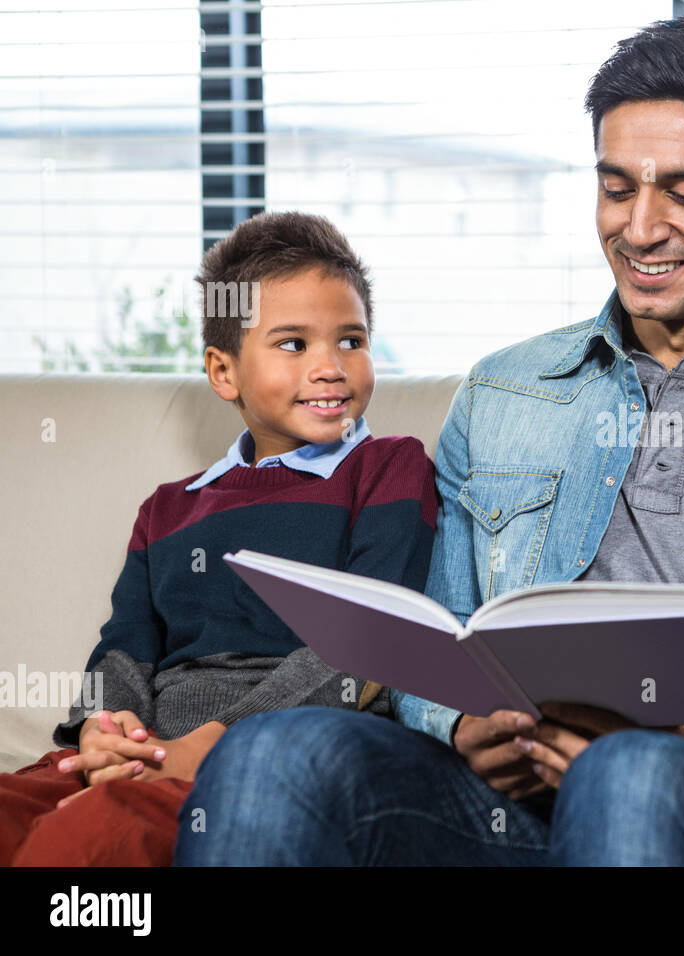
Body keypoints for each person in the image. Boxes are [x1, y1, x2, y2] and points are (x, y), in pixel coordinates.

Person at [173, 15, 684, 867]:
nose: (640, 229)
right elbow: (440, 632)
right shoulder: (502, 393)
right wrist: (461, 725)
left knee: (631, 776)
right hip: (509, 806)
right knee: (272, 753)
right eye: (616, 189)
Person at [0, 211, 439, 865]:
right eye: (294, 344)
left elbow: (368, 642)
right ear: (223, 372)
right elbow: (123, 650)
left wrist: (207, 745)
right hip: (151, 747)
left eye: (351, 340)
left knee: (88, 840)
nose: (331, 367)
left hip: (279, 752)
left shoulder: (389, 468)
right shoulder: (168, 508)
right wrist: (105, 730)